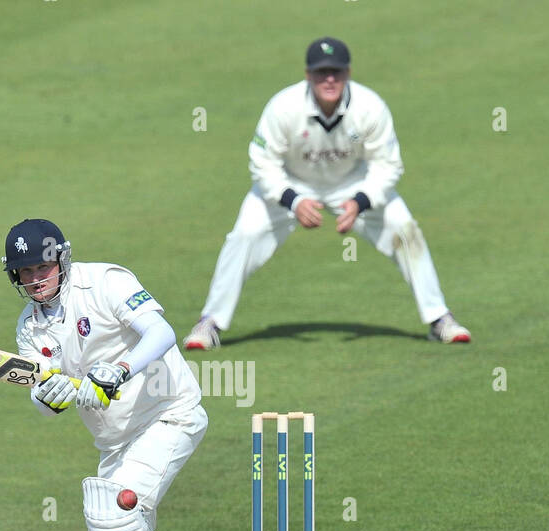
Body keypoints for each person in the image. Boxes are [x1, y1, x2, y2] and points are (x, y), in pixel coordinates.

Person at [6, 219, 227, 531]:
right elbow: (42, 393)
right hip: (115, 440)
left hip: (169, 415)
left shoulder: (106, 281)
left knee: (114, 514)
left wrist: (120, 369)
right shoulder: (30, 328)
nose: (34, 279)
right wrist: (49, 396)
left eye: (41, 268)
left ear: (61, 258)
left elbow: (160, 332)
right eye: (24, 273)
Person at [183, 36, 471, 351]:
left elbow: (388, 165)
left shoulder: (370, 107)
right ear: (308, 75)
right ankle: (210, 322)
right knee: (245, 234)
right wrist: (293, 200)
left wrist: (360, 201)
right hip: (290, 183)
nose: (329, 79)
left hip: (352, 183)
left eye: (336, 71)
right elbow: (262, 164)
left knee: (406, 231)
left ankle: (439, 318)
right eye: (321, 72)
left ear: (348, 73)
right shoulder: (283, 107)